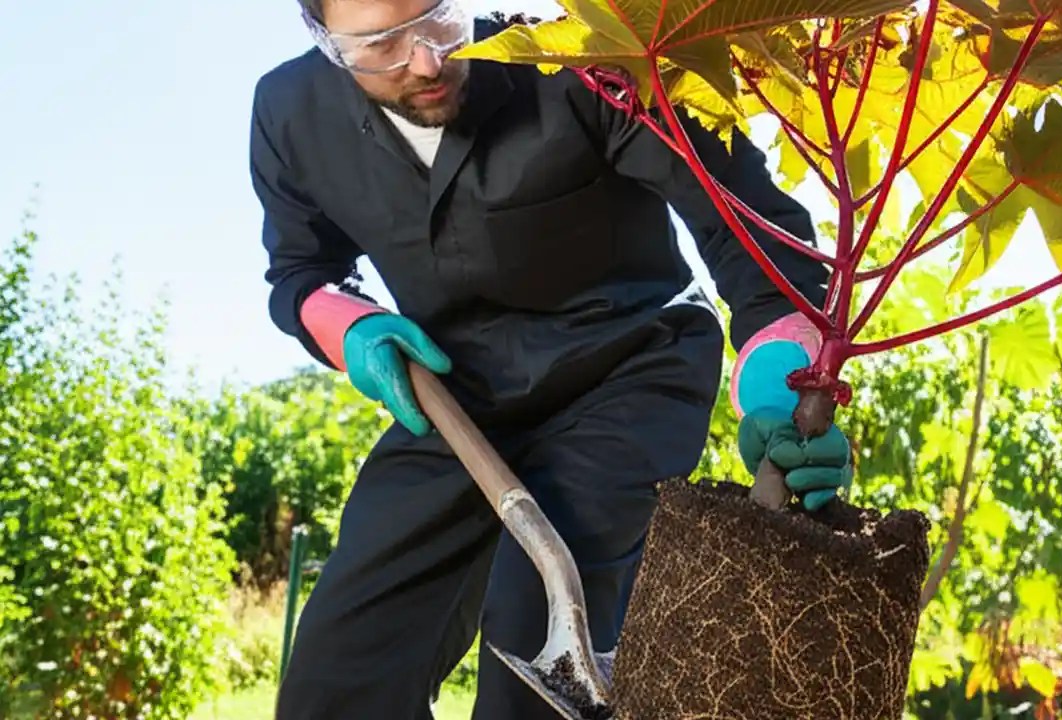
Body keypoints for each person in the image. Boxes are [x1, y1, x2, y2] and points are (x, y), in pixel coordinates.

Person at [249, 1, 853, 717]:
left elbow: (739, 218)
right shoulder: (290, 114)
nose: (426, 61)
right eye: (381, 44)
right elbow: (303, 271)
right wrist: (350, 328)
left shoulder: (573, 61)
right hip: (451, 387)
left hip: (629, 366)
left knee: (533, 638)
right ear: (325, 43)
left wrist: (780, 377)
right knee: (339, 670)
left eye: (438, 20)